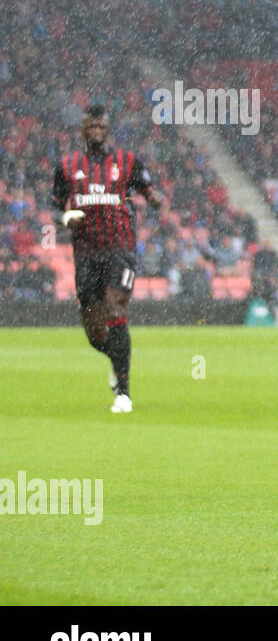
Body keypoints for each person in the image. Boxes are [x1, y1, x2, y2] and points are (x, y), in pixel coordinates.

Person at [51, 105, 164, 412]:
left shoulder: (127, 162)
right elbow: (54, 208)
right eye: (91, 126)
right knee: (93, 332)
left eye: (101, 126)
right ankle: (116, 362)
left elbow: (150, 191)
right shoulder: (67, 165)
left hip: (120, 249)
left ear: (108, 128)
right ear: (83, 129)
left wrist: (154, 199)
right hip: (86, 254)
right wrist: (64, 219)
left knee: (115, 309)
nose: (96, 130)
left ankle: (124, 393)